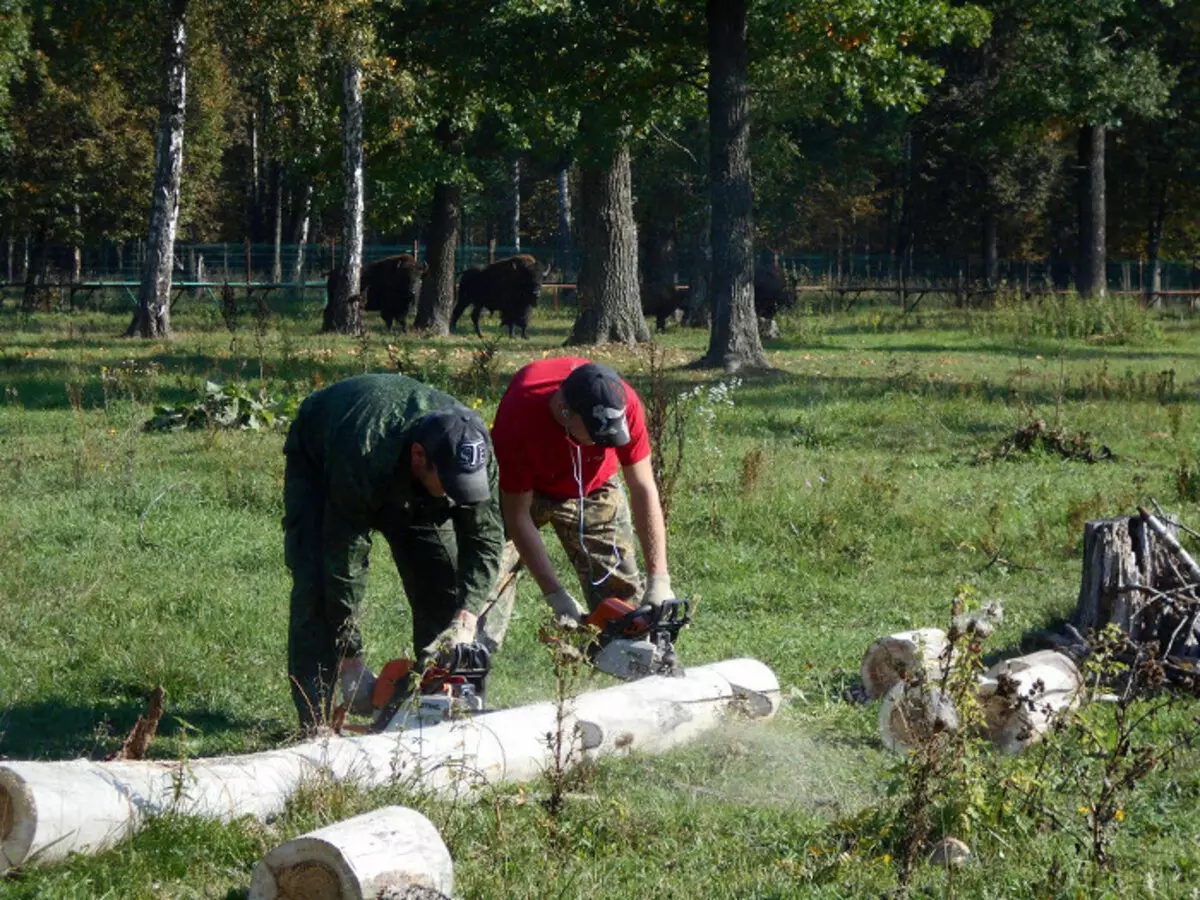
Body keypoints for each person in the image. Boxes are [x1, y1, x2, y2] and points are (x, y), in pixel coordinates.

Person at [282, 373, 504, 732]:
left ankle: (438, 711)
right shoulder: (364, 451)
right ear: (419, 458)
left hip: (404, 477)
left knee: (446, 587)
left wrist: (466, 618)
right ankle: (315, 726)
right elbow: (344, 560)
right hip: (326, 455)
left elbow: (485, 537)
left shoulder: (474, 448)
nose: (456, 499)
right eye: (450, 487)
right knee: (316, 586)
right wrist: (349, 659)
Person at [486, 357, 673, 639]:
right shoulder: (520, 415)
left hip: (593, 487)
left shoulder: (625, 403)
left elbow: (643, 487)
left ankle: (638, 662)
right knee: (484, 582)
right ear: (566, 412)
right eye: (596, 433)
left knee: (626, 610)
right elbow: (517, 514)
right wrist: (555, 595)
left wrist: (659, 579)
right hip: (527, 490)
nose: (603, 442)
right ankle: (465, 663)